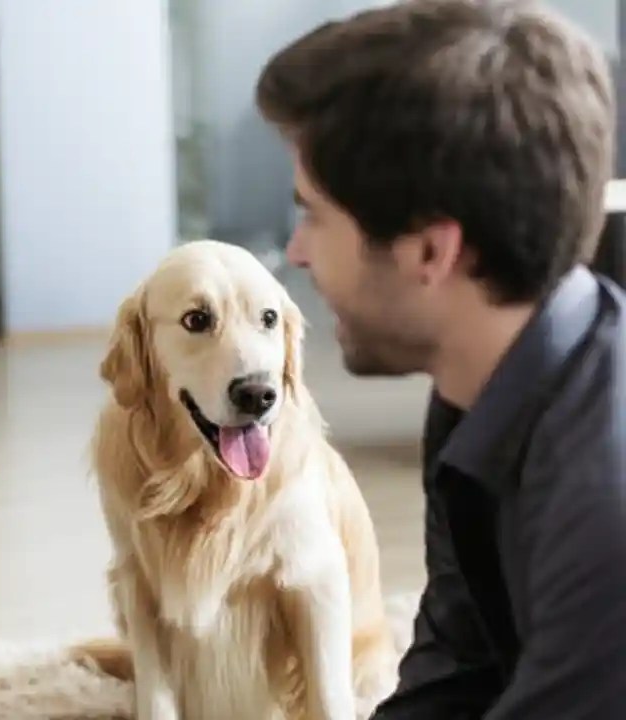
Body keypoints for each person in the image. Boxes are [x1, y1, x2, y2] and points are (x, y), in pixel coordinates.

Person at [255, 0, 626, 717]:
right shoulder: (481, 392)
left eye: (313, 214)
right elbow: (459, 668)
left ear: (432, 250)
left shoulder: (603, 511)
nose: (296, 252)